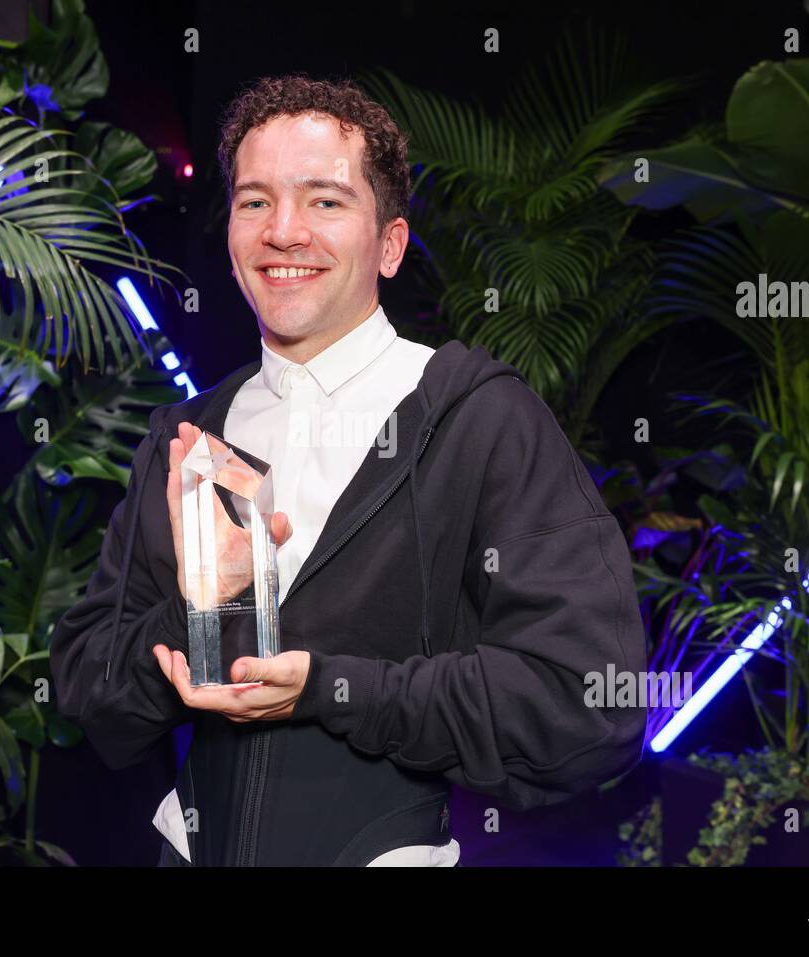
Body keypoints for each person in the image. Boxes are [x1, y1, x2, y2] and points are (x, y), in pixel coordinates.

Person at [49, 74, 647, 867]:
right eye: (255, 201)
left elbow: (589, 706)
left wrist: (336, 688)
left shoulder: (476, 419)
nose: (283, 231)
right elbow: (90, 695)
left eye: (325, 201)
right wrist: (199, 610)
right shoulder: (189, 436)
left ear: (390, 244)